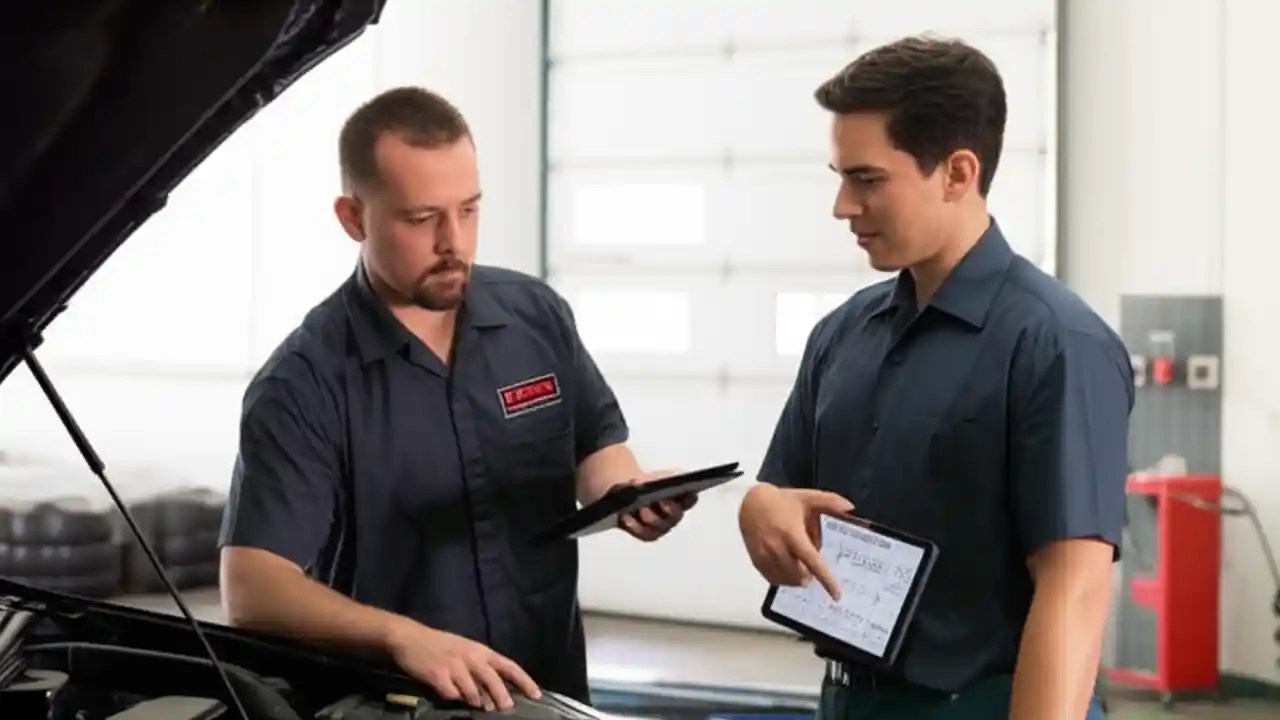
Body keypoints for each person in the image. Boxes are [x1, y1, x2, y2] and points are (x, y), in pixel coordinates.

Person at [217, 86, 696, 712]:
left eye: (469, 210)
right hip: (399, 704)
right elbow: (254, 589)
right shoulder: (304, 383)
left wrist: (626, 494)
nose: (455, 241)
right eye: (422, 219)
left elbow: (596, 447)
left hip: (547, 693)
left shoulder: (537, 316)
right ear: (353, 217)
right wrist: (403, 638)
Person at [737, 37, 1132, 720]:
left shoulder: (1056, 344)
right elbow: (783, 490)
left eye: (866, 179)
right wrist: (759, 509)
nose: (841, 206)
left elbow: (1074, 590)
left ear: (957, 172)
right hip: (849, 699)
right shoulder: (841, 335)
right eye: (839, 176)